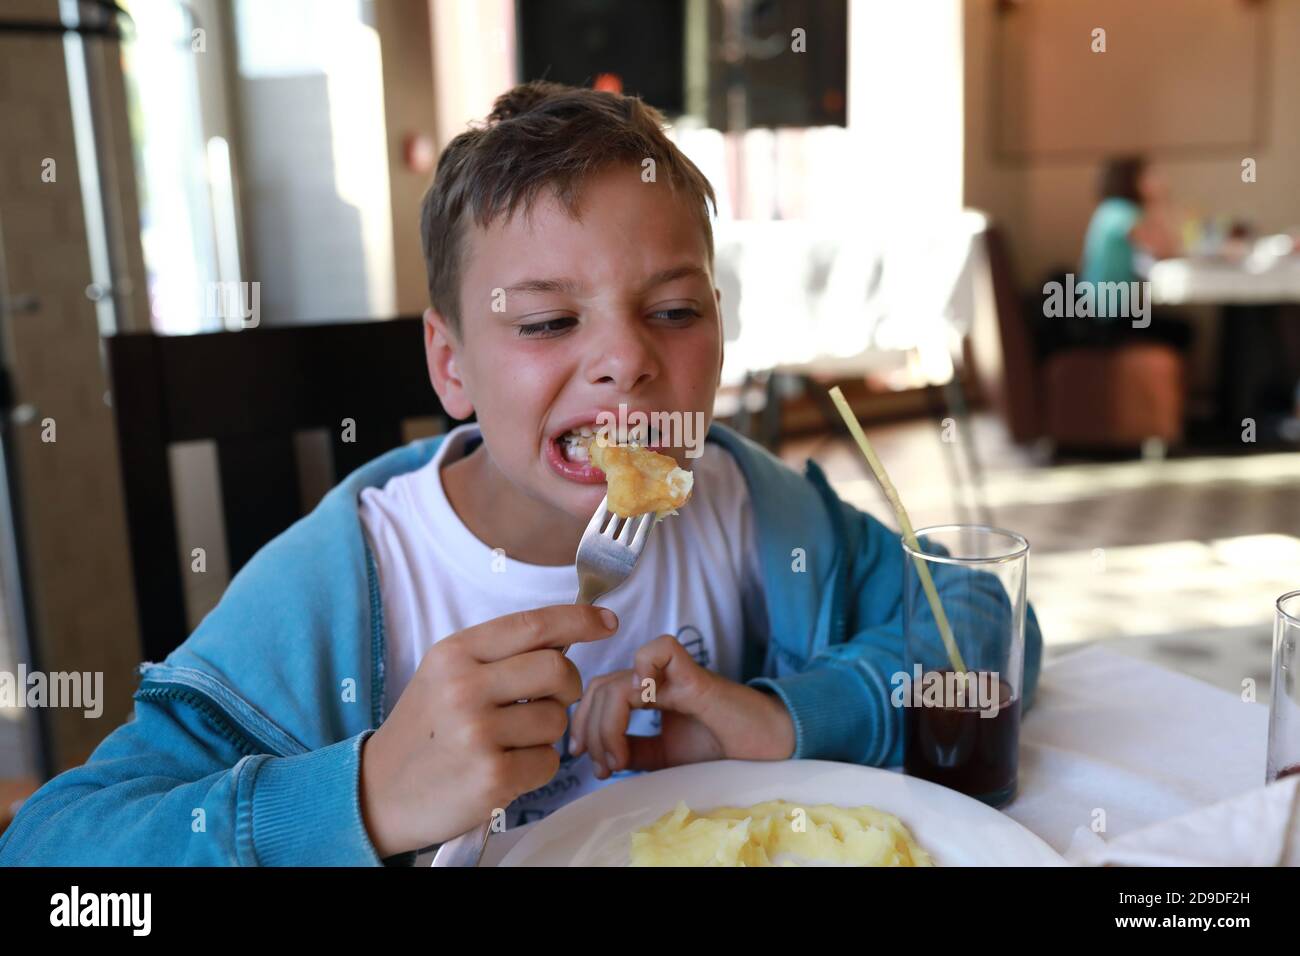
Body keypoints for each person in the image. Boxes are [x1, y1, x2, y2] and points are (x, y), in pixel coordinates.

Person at [0, 81, 1042, 866]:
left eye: (674, 310)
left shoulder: (745, 500)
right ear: (451, 365)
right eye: (547, 321)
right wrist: (359, 795)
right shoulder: (348, 575)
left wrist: (785, 714)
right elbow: (55, 853)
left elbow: (981, 623)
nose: (627, 358)